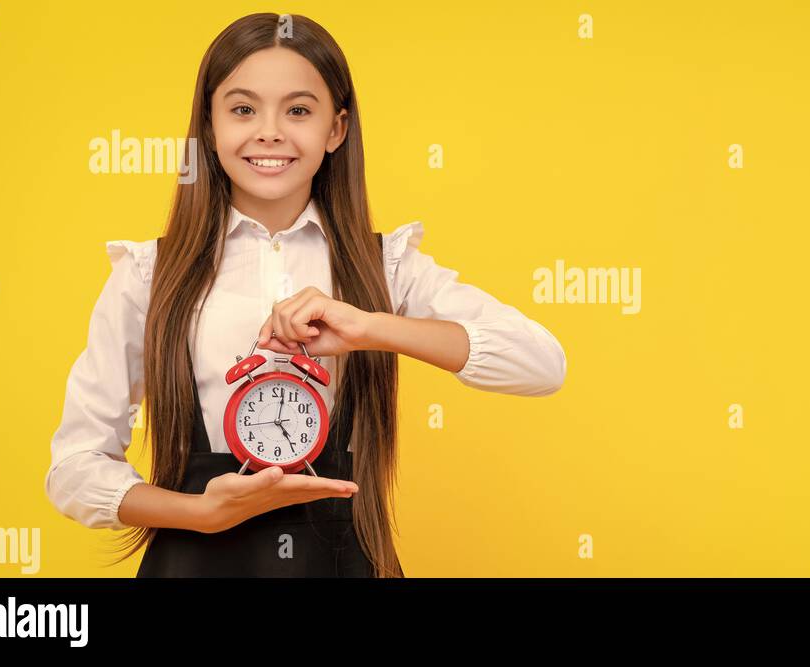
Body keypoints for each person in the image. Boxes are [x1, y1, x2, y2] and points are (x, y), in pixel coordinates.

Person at [45, 13, 567, 577]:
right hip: (191, 560)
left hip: (340, 562)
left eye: (298, 110)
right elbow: (75, 467)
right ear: (210, 125)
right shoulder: (149, 273)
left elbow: (541, 364)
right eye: (243, 109)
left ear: (336, 129)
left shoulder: (384, 265)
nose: (269, 132)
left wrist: (369, 326)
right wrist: (200, 513)